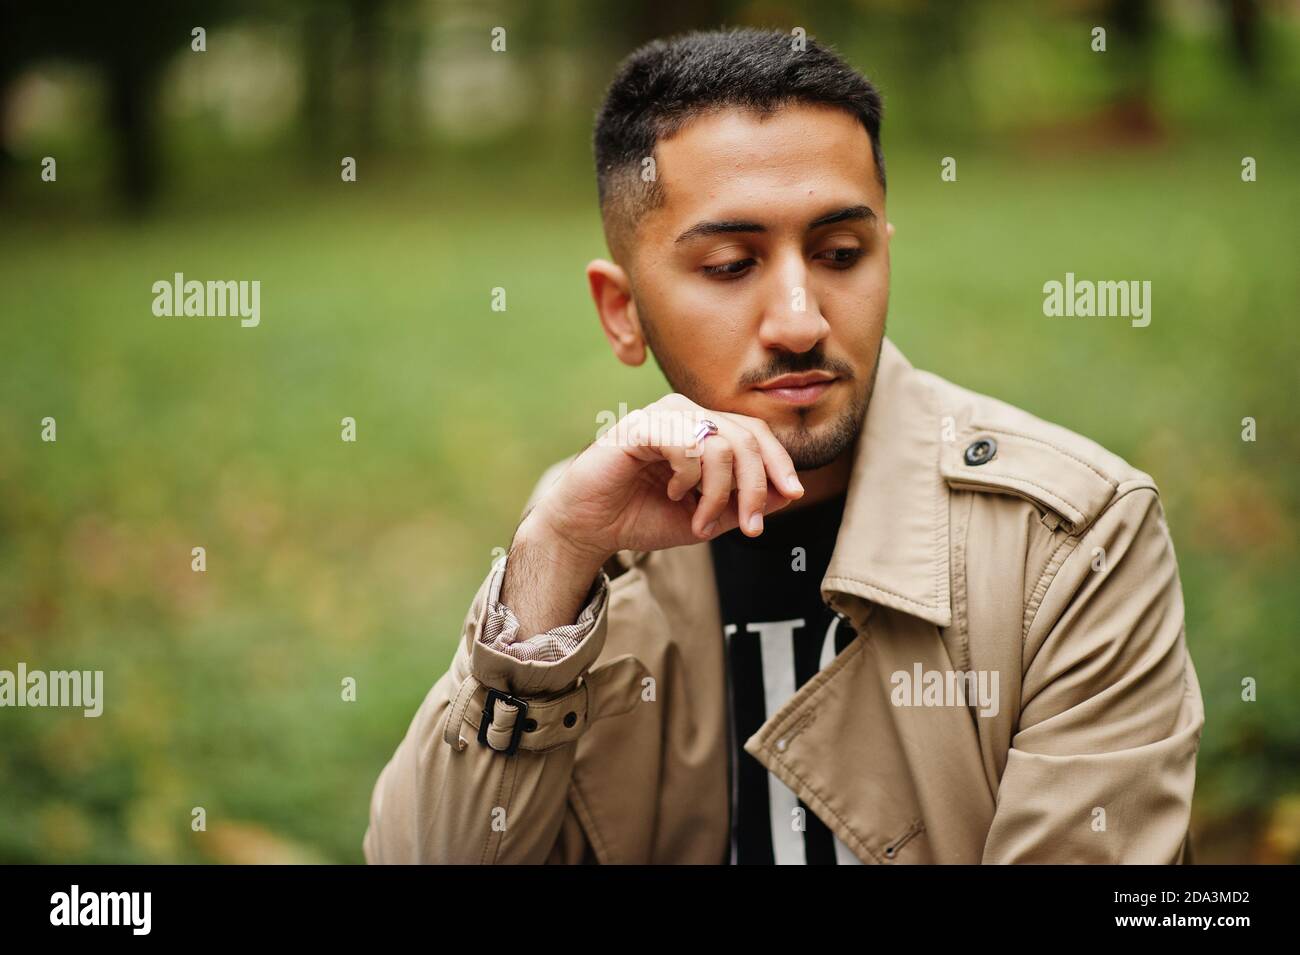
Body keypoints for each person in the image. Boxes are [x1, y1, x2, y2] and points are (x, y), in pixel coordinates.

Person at [363, 27, 1204, 864]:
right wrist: (552, 557)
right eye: (731, 265)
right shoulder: (589, 538)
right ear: (622, 312)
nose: (801, 320)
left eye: (842, 253)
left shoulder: (1070, 540)